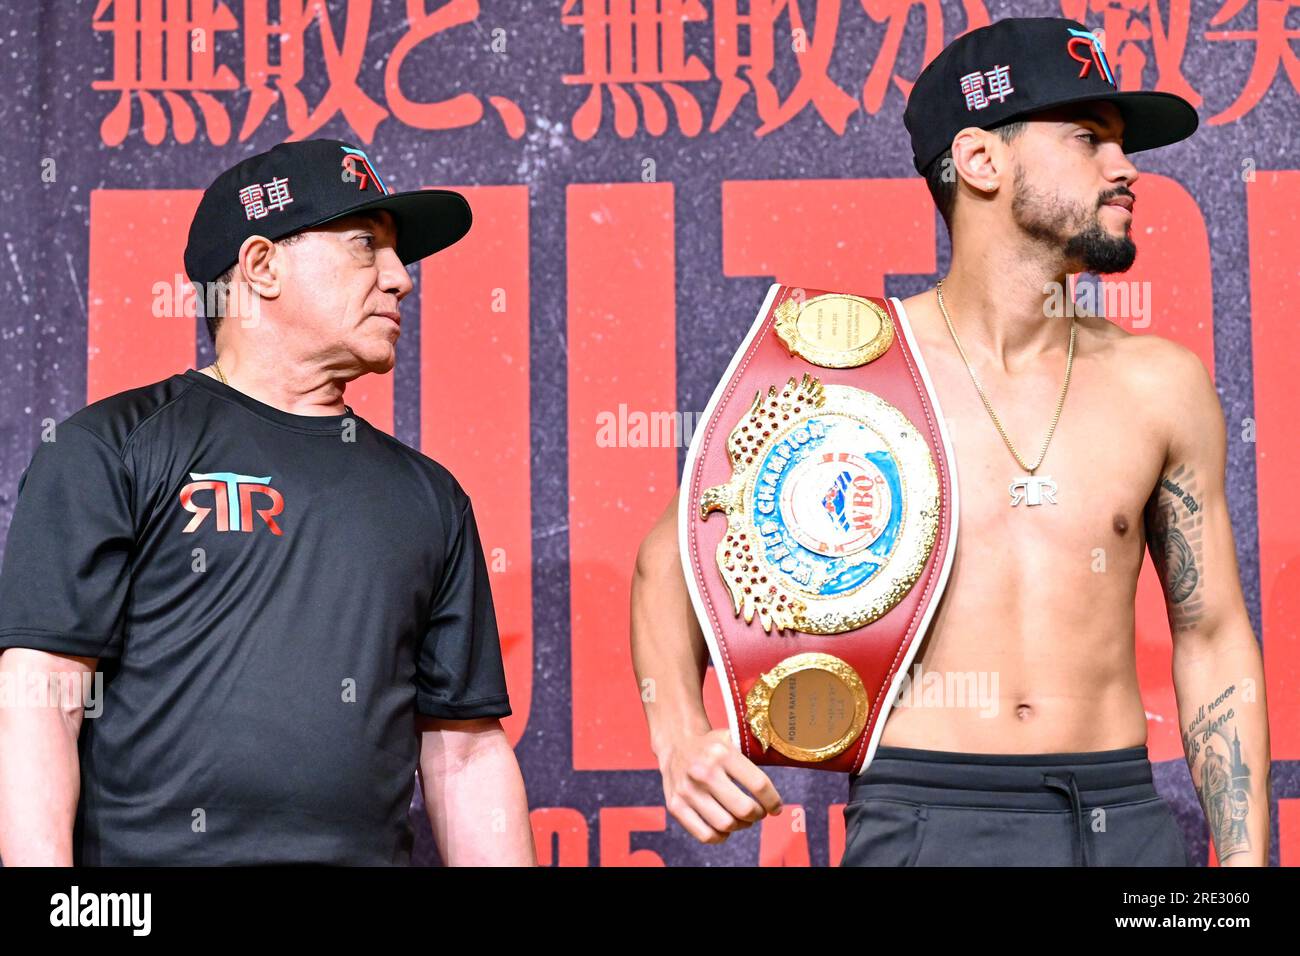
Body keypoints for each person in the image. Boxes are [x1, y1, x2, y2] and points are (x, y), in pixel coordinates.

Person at [630, 18, 1270, 866]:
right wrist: (679, 734)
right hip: (926, 816)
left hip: (1123, 818)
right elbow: (666, 565)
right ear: (979, 161)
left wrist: (1245, 868)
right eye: (1090, 139)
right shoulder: (854, 370)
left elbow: (1212, 632)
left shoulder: (1163, 384)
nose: (1126, 168)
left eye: (1122, 146)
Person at [0, 139, 535, 866]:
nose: (398, 279)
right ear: (261, 266)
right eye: (364, 246)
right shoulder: (108, 449)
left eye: (397, 255)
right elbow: (42, 699)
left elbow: (465, 757)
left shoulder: (430, 497)